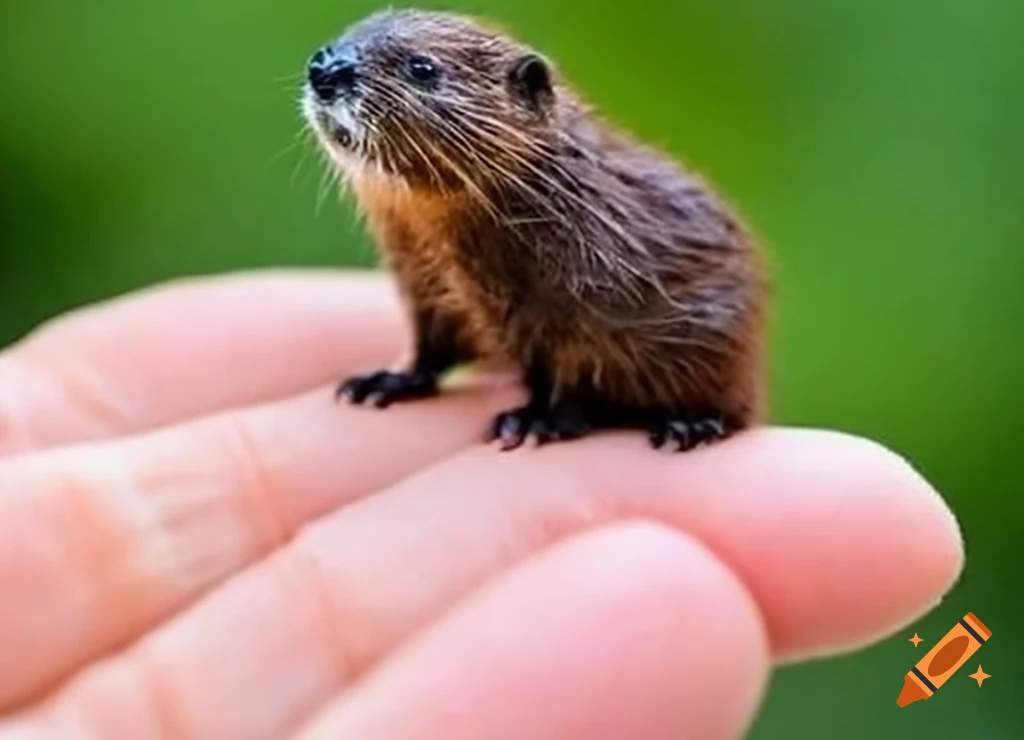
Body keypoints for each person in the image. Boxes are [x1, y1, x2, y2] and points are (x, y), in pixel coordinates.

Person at [0, 271, 962, 739]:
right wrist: (426, 368)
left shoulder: (545, 211)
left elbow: (571, 308)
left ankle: (692, 416)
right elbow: (446, 294)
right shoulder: (427, 203)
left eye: (418, 76)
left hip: (666, 358)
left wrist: (557, 405)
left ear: (524, 99)